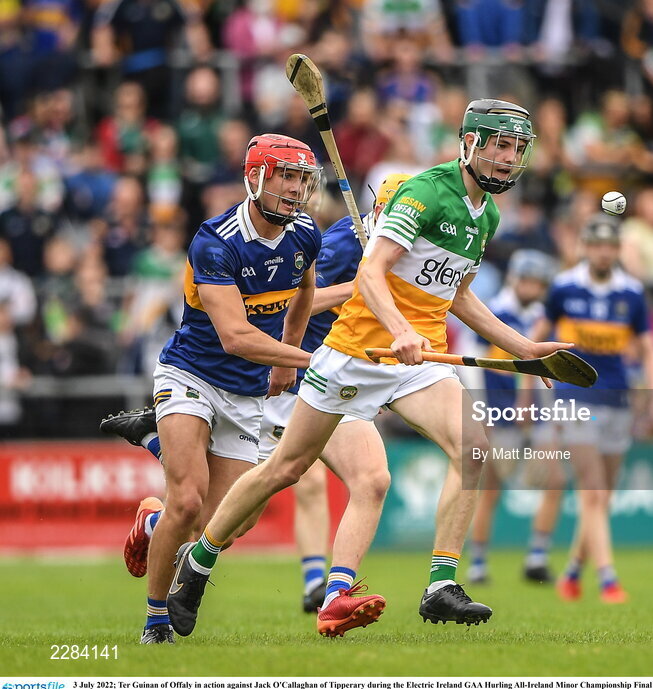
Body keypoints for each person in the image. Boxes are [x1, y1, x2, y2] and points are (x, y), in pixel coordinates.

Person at [165, 99, 572, 638]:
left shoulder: (487, 215)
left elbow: (460, 296)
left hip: (418, 360)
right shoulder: (426, 192)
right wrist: (398, 329)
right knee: (285, 469)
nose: (507, 157)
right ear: (469, 144)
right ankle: (199, 560)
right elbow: (371, 274)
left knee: (472, 447)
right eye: (498, 144)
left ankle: (440, 585)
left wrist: (522, 347)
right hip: (356, 352)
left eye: (517, 148)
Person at [102, 174, 414, 615]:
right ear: (382, 214)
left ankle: (331, 595)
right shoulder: (344, 243)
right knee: (217, 503)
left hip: (338, 380)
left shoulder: (415, 247)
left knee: (238, 519)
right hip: (295, 380)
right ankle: (315, 588)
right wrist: (351, 296)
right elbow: (289, 300)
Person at [110, 133, 324, 644]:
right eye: (284, 177)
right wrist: (315, 361)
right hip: (192, 375)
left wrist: (286, 365)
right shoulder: (215, 240)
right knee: (187, 502)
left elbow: (304, 293)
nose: (294, 190)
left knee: (229, 524)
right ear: (255, 178)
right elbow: (234, 336)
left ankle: (150, 518)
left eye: (301, 179)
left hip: (248, 392)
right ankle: (156, 620)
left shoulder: (305, 235)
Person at [534, 214, 653, 604]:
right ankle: (608, 579)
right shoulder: (563, 288)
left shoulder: (631, 293)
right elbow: (535, 340)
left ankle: (573, 571)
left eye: (611, 246)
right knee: (592, 492)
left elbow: (649, 349)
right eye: (597, 245)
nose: (604, 252)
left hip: (618, 401)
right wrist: (534, 391)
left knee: (603, 496)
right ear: (586, 248)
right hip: (574, 401)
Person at [467, 249, 564, 585]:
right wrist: (481, 415)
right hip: (499, 414)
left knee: (555, 482)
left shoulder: (542, 318)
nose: (532, 288)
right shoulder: (494, 312)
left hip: (536, 417)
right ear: (516, 279)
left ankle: (537, 558)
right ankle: (477, 563)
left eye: (538, 283)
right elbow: (471, 366)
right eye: (527, 281)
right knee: (491, 488)